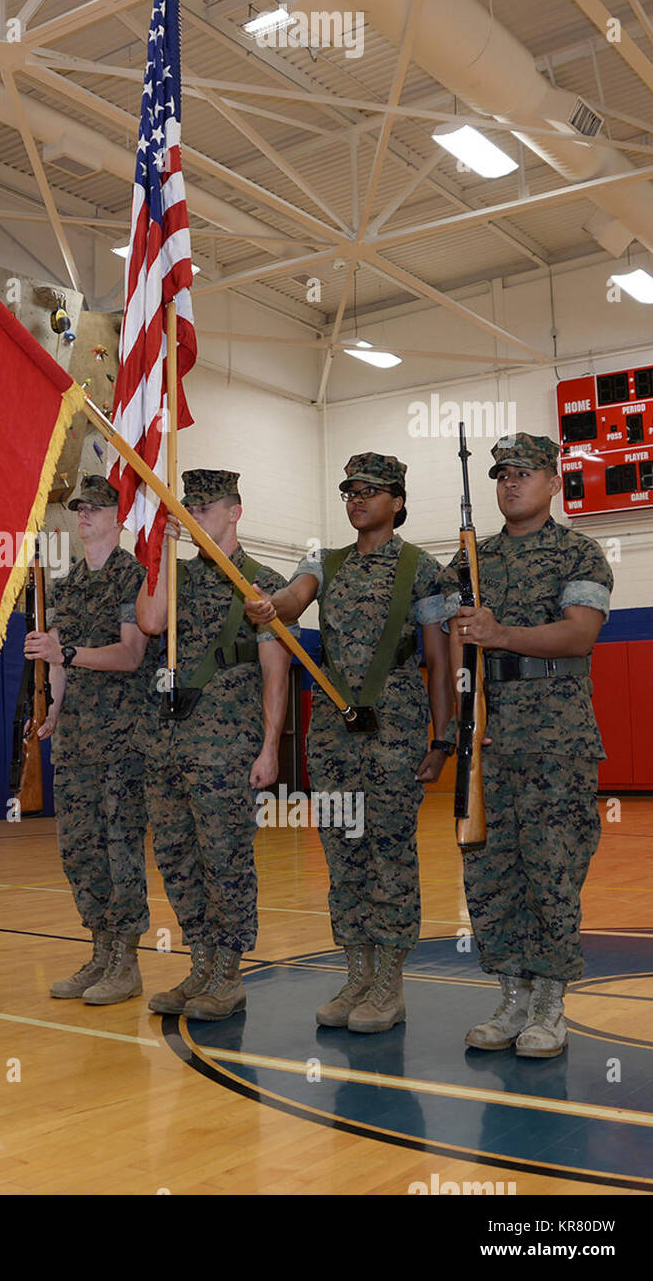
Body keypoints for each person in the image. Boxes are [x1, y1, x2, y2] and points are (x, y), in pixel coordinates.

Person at [246, 453, 456, 1033]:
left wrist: (442, 740)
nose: (357, 499)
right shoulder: (324, 561)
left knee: (389, 853)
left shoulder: (424, 569)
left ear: (398, 501)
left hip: (396, 731)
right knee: (342, 853)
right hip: (335, 738)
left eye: (371, 490)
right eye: (350, 491)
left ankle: (389, 982)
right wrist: (270, 607)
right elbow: (292, 600)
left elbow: (440, 664)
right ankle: (356, 973)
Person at [451, 432, 612, 1057]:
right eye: (501, 474)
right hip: (486, 739)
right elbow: (439, 641)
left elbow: (579, 637)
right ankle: (512, 996)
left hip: (555, 740)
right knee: (490, 874)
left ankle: (550, 1001)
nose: (510, 482)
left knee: (553, 870)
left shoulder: (580, 553)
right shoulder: (469, 559)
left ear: (553, 483)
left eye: (524, 472)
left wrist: (501, 633)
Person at [133, 468, 292, 1020]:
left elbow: (276, 672)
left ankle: (228, 972)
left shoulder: (262, 585)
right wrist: (161, 554)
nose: (195, 516)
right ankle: (199, 962)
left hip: (227, 746)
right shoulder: (174, 575)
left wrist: (271, 747)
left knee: (225, 857)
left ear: (235, 511)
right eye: (189, 507)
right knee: (177, 856)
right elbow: (151, 622)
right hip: (169, 741)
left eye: (205, 507)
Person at [24, 475, 154, 1005]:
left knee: (121, 847)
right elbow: (58, 661)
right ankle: (99, 953)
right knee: (79, 848)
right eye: (80, 509)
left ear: (117, 518)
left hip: (123, 739)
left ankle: (126, 963)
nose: (84, 517)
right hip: (76, 736)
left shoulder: (134, 577)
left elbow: (130, 656)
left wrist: (68, 654)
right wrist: (54, 708)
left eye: (95, 510)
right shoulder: (67, 583)